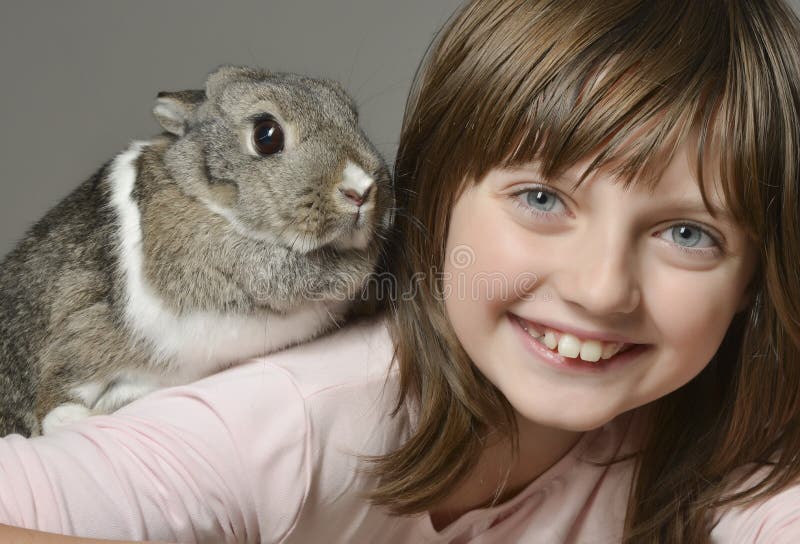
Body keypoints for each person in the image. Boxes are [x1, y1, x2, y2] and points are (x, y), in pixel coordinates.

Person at [2, 0, 800, 542]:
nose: (600, 289)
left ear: (756, 276)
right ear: (439, 193)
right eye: (541, 198)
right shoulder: (301, 418)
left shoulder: (733, 445)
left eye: (689, 234)